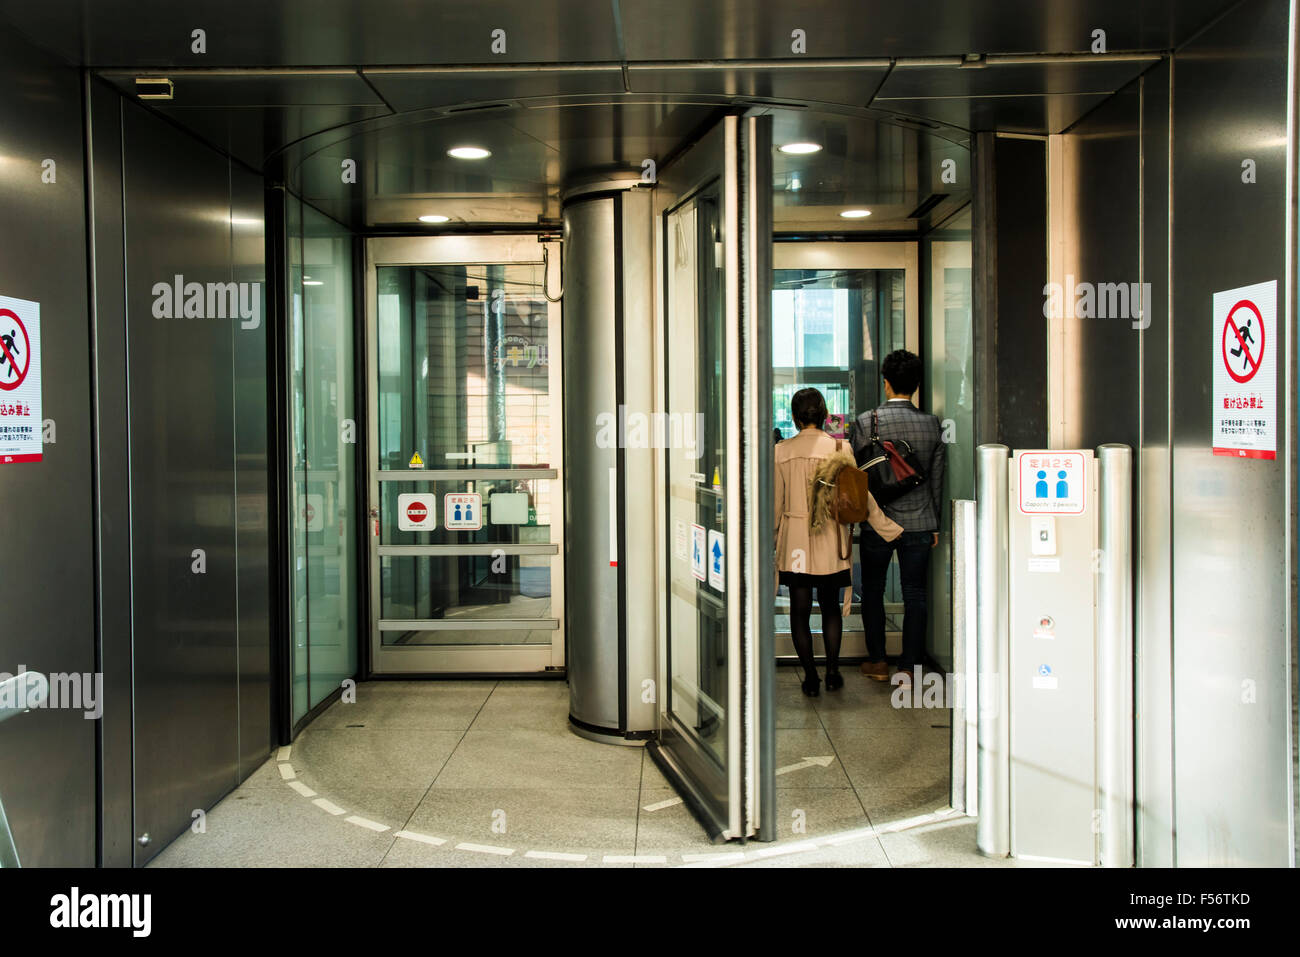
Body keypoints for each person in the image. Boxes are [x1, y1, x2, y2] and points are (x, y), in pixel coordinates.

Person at [775, 387, 901, 697]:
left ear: (794, 418)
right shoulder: (840, 448)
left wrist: (770, 537)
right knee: (831, 606)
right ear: (824, 416)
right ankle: (832, 672)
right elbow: (859, 495)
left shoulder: (781, 451)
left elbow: (775, 504)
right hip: (831, 538)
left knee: (799, 609)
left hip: (795, 541)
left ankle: (810, 677)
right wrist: (887, 528)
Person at [850, 350, 946, 687]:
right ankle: (908, 667)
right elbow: (936, 479)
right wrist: (935, 523)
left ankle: (877, 661)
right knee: (915, 593)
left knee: (873, 590)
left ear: (886, 383)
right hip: (920, 522)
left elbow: (858, 475)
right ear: (916, 385)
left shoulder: (866, 421)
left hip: (878, 522)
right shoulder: (932, 424)